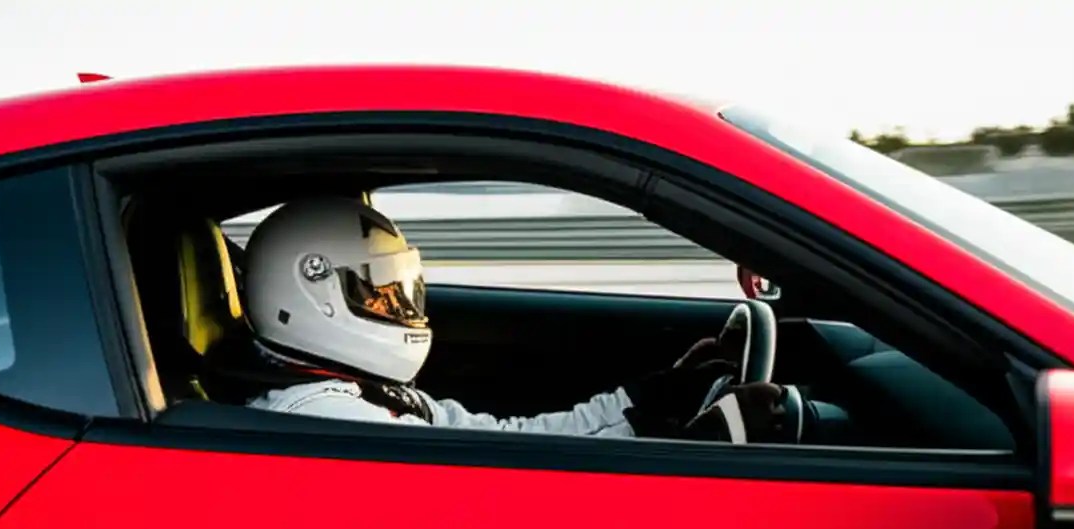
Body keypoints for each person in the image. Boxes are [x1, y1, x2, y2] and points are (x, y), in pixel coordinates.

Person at [240, 197, 795, 442]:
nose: (399, 306)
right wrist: (701, 443)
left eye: (399, 288)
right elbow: (512, 489)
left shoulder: (361, 396)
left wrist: (652, 397)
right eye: (379, 292)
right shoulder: (329, 423)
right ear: (310, 290)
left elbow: (503, 440)